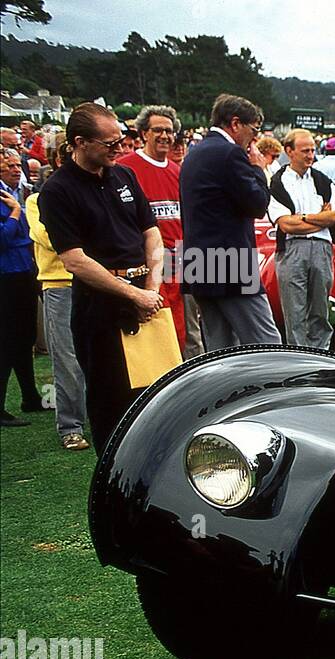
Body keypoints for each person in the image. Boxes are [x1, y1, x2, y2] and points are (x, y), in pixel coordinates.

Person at [36, 103, 167, 453]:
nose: (119, 149)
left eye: (121, 140)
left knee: (156, 394)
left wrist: (150, 289)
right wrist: (133, 296)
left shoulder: (124, 176)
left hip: (144, 295)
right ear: (80, 142)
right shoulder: (58, 190)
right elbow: (75, 260)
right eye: (110, 144)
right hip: (100, 306)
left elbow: (151, 233)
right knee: (110, 403)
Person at [179, 94, 279, 350]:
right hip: (231, 265)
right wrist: (258, 169)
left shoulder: (194, 153)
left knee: (220, 351)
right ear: (236, 124)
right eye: (253, 130)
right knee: (267, 345)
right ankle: (273, 392)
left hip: (198, 263)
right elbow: (258, 205)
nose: (254, 139)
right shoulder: (229, 153)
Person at [24, 139, 90, 448]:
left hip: (93, 282)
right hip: (60, 285)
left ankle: (95, 414)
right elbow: (50, 238)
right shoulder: (37, 200)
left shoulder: (87, 196)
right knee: (66, 358)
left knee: (98, 354)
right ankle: (69, 426)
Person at [117, 105, 188, 352]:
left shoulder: (178, 171)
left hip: (177, 266)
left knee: (179, 336)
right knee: (147, 339)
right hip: (142, 266)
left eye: (169, 131)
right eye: (158, 130)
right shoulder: (124, 168)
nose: (165, 136)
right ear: (143, 133)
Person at [267, 129, 335, 350]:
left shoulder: (322, 181)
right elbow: (285, 224)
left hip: (321, 248)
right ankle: (299, 357)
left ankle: (321, 354)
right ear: (289, 151)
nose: (310, 155)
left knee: (320, 309)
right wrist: (320, 217)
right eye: (305, 151)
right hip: (291, 249)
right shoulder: (278, 182)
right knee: (294, 312)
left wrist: (304, 218)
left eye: (312, 150)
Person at [0, 148, 44, 428]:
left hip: (24, 272)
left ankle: (30, 396)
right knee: (7, 341)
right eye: (10, 165)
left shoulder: (21, 192)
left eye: (18, 165)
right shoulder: (12, 200)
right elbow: (3, 238)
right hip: (5, 275)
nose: (17, 169)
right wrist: (16, 212)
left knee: (25, 336)